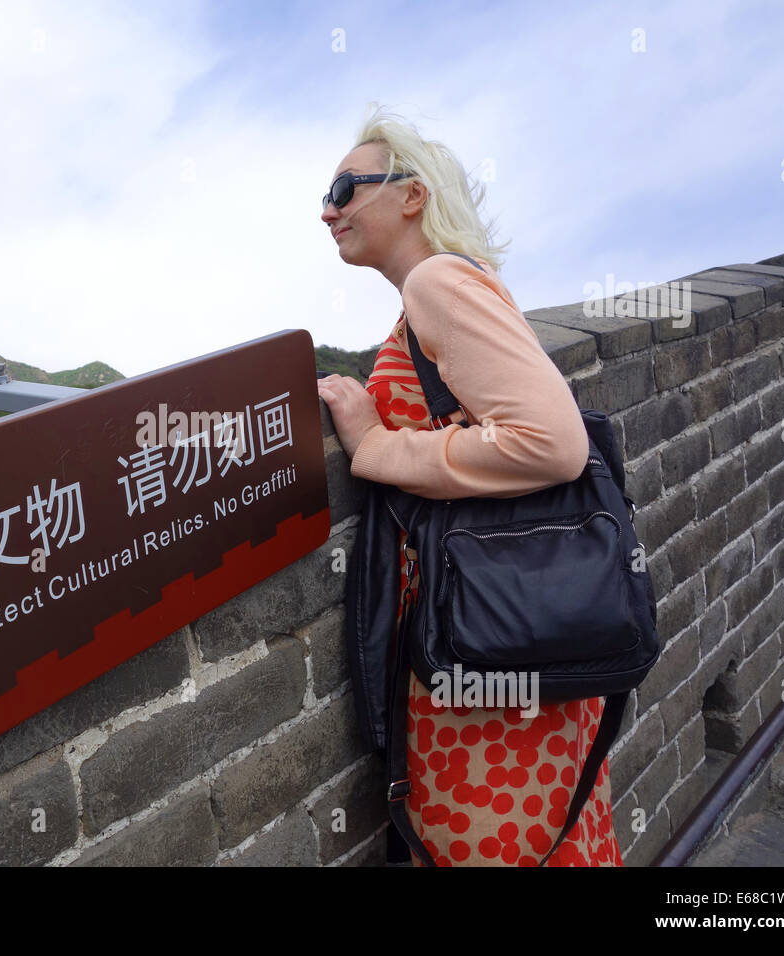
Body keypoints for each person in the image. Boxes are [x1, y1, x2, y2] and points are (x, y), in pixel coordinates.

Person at [316, 105, 623, 866]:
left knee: (487, 843)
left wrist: (377, 444)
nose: (328, 210)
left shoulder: (438, 281)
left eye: (345, 188)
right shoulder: (453, 284)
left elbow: (550, 443)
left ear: (411, 196)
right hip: (515, 630)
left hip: (484, 654)